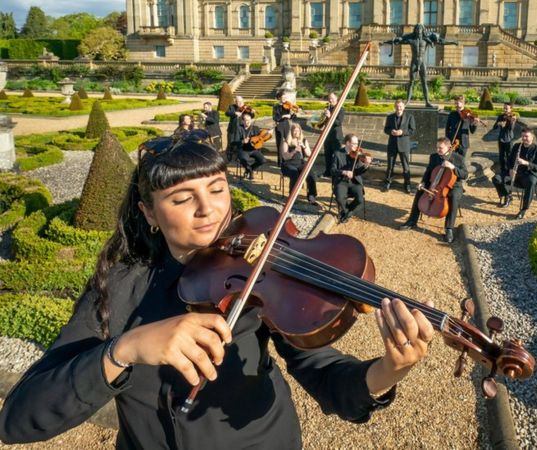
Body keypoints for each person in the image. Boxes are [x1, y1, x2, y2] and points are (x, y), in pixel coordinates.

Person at [0, 132, 435, 449]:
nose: (209, 210)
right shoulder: (119, 286)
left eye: (217, 189)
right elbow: (19, 420)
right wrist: (125, 349)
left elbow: (318, 368)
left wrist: (387, 371)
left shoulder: (257, 268)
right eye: (182, 198)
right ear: (149, 213)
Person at [399, 138, 468, 244]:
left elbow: (465, 174)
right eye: (437, 147)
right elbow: (429, 172)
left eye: (440, 148)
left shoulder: (458, 158)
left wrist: (453, 167)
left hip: (454, 186)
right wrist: (423, 182)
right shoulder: (434, 157)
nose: (438, 150)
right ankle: (412, 221)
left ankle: (449, 228)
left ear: (449, 148)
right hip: (436, 183)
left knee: (453, 197)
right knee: (420, 190)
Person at [382, 24, 457, 108]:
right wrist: (385, 42)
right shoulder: (410, 39)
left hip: (422, 63)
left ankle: (427, 102)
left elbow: (441, 41)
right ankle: (408, 101)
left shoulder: (427, 40)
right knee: (411, 82)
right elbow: (396, 41)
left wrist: (452, 42)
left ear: (422, 30)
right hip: (414, 62)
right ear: (415, 30)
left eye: (420, 29)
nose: (418, 31)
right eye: (417, 29)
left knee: (424, 82)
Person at [491, 128, 537, 220]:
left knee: (531, 183)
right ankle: (508, 195)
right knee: (496, 178)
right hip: (515, 173)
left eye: (526, 136)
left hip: (528, 174)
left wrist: (525, 163)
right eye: (522, 136)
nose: (524, 138)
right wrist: (511, 169)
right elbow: (509, 160)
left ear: (532, 137)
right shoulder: (517, 146)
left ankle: (523, 210)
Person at [332, 133, 372, 224]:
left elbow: (358, 172)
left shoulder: (357, 155)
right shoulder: (337, 154)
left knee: (360, 200)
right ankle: (347, 213)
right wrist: (344, 172)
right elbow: (332, 170)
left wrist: (366, 165)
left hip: (354, 182)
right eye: (354, 144)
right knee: (339, 198)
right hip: (341, 181)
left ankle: (347, 213)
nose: (356, 146)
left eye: (357, 144)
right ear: (347, 143)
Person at [382, 99, 416, 193]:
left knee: (406, 166)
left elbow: (412, 130)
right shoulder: (390, 117)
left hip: (404, 145)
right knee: (390, 166)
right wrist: (391, 131)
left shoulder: (410, 117)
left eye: (400, 106)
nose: (399, 108)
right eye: (397, 106)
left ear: (404, 107)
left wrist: (402, 132)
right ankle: (387, 183)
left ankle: (407, 184)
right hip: (392, 144)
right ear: (394, 107)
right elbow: (386, 129)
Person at [280, 123, 318, 205]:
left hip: (300, 163)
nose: (296, 132)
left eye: (298, 131)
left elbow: (309, 154)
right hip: (288, 164)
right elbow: (285, 157)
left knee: (310, 173)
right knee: (294, 173)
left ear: (300, 132)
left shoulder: (304, 140)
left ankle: (311, 196)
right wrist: (294, 151)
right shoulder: (286, 142)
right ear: (291, 132)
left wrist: (303, 146)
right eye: (294, 131)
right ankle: (292, 197)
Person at [238, 110, 268, 180]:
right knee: (243, 159)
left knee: (262, 160)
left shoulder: (256, 128)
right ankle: (250, 171)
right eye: (245, 120)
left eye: (248, 120)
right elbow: (234, 141)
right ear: (242, 121)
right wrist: (242, 141)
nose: (247, 122)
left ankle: (250, 168)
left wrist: (268, 134)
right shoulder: (239, 129)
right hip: (243, 150)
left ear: (251, 120)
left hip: (254, 149)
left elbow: (262, 137)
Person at [322, 92, 345, 178]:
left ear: (336, 99)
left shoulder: (341, 109)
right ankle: (327, 172)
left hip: (336, 137)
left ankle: (336, 173)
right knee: (327, 155)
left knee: (336, 156)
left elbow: (338, 123)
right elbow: (323, 122)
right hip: (327, 136)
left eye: (332, 98)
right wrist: (322, 117)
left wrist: (329, 116)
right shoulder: (327, 108)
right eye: (329, 98)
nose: (330, 100)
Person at [492, 102, 518, 176]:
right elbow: (494, 127)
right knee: (501, 156)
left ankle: (509, 170)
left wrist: (512, 122)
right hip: (501, 138)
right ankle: (503, 170)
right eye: (504, 108)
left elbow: (511, 129)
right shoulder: (501, 116)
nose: (505, 110)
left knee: (509, 155)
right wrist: (498, 124)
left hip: (509, 138)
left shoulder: (512, 116)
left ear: (511, 109)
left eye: (507, 108)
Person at [272, 90, 297, 154]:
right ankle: (280, 162)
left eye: (285, 98)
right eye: (283, 98)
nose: (285, 99)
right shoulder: (276, 106)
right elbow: (275, 117)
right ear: (279, 98)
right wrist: (283, 116)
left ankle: (288, 158)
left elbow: (293, 116)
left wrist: (292, 114)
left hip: (286, 124)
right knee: (280, 143)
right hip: (279, 125)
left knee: (288, 140)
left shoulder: (287, 105)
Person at [225, 95, 246, 161]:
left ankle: (238, 156)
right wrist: (234, 113)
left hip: (241, 128)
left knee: (240, 142)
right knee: (230, 142)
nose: (238, 103)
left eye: (240, 101)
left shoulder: (245, 107)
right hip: (232, 128)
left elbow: (252, 116)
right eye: (237, 101)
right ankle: (229, 155)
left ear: (242, 101)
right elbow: (227, 113)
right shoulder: (232, 107)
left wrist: (251, 112)